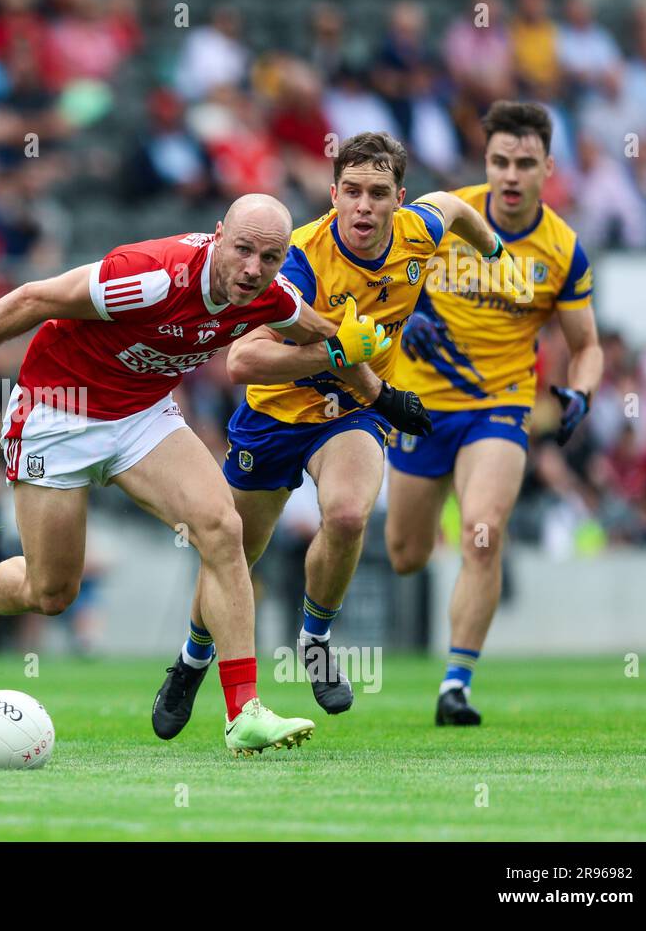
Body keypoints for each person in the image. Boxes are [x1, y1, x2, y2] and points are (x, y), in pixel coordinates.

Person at [0, 194, 412, 755]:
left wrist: (379, 393)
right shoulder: (151, 279)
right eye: (242, 250)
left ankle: (244, 713)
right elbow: (35, 297)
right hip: (56, 411)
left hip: (141, 417)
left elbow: (326, 336)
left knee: (223, 528)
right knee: (52, 593)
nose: (252, 269)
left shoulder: (273, 296)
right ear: (219, 235)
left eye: (269, 257)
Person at [151, 132, 527, 739]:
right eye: (351, 191)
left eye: (378, 194)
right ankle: (192, 662)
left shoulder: (419, 231)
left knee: (350, 516)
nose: (363, 206)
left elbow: (455, 209)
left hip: (355, 411)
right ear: (332, 194)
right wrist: (331, 352)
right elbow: (243, 362)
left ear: (398, 200)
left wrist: (493, 250)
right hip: (274, 415)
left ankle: (315, 638)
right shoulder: (297, 258)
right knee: (236, 554)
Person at [386, 102, 603, 725]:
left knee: (482, 534)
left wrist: (580, 392)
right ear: (485, 163)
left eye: (525, 163)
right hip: (420, 405)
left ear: (548, 168)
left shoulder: (563, 251)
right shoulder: (442, 217)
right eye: (500, 161)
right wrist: (410, 319)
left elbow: (587, 348)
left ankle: (455, 685)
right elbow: (381, 287)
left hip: (500, 405)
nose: (511, 175)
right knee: (405, 553)